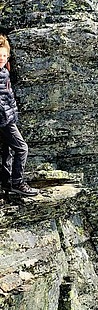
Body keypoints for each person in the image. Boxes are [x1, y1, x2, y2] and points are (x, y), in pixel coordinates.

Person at [0, 34, 39, 197]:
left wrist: (13, 114)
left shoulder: (4, 71)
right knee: (22, 148)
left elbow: (9, 95)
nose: (1, 58)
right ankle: (17, 182)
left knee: (7, 151)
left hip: (8, 117)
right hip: (3, 119)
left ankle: (6, 183)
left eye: (3, 55)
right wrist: (6, 117)